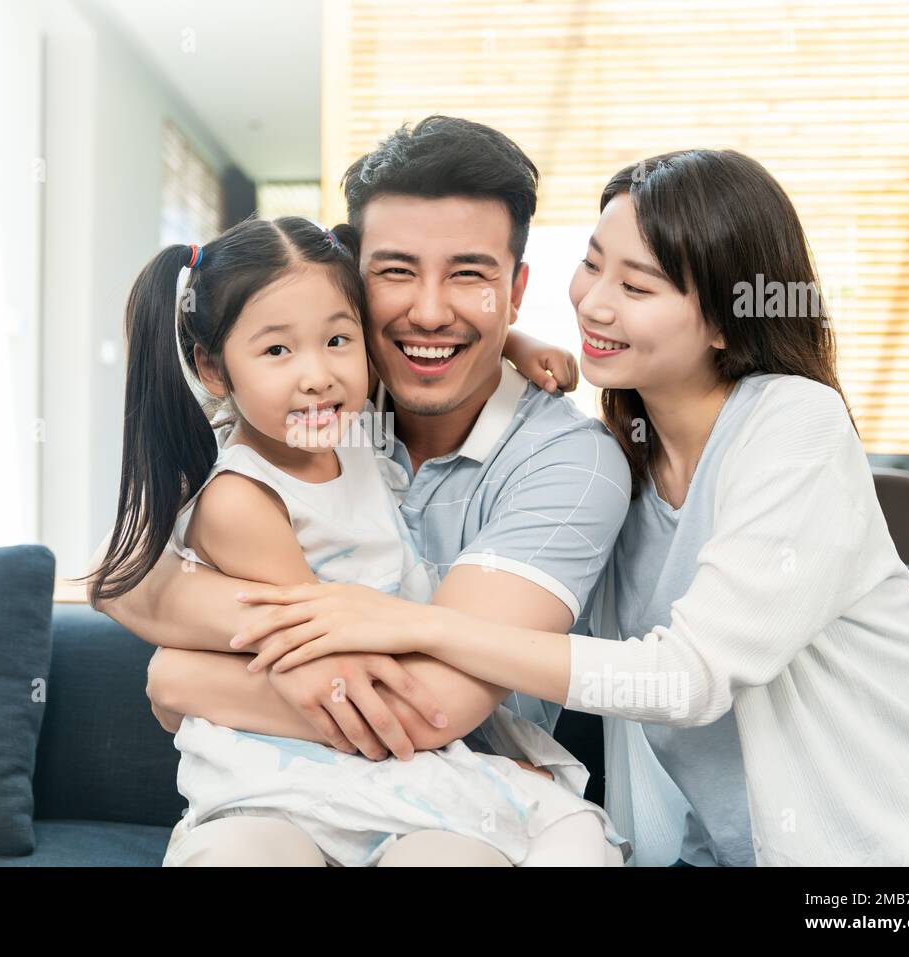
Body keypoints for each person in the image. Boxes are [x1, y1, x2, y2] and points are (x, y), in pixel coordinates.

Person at [231, 149, 909, 867]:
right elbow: (237, 354)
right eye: (591, 264)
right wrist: (502, 339)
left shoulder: (793, 423)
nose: (595, 302)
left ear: (727, 319)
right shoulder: (624, 456)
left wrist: (415, 621)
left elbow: (685, 678)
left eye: (637, 286)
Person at [89, 116, 634, 866]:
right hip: (278, 785)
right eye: (397, 271)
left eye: (471, 274)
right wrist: (178, 669)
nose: (431, 310)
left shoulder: (570, 464)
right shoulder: (317, 410)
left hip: (442, 797)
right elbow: (122, 574)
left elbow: (431, 708)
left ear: (516, 290)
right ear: (356, 280)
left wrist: (189, 674)